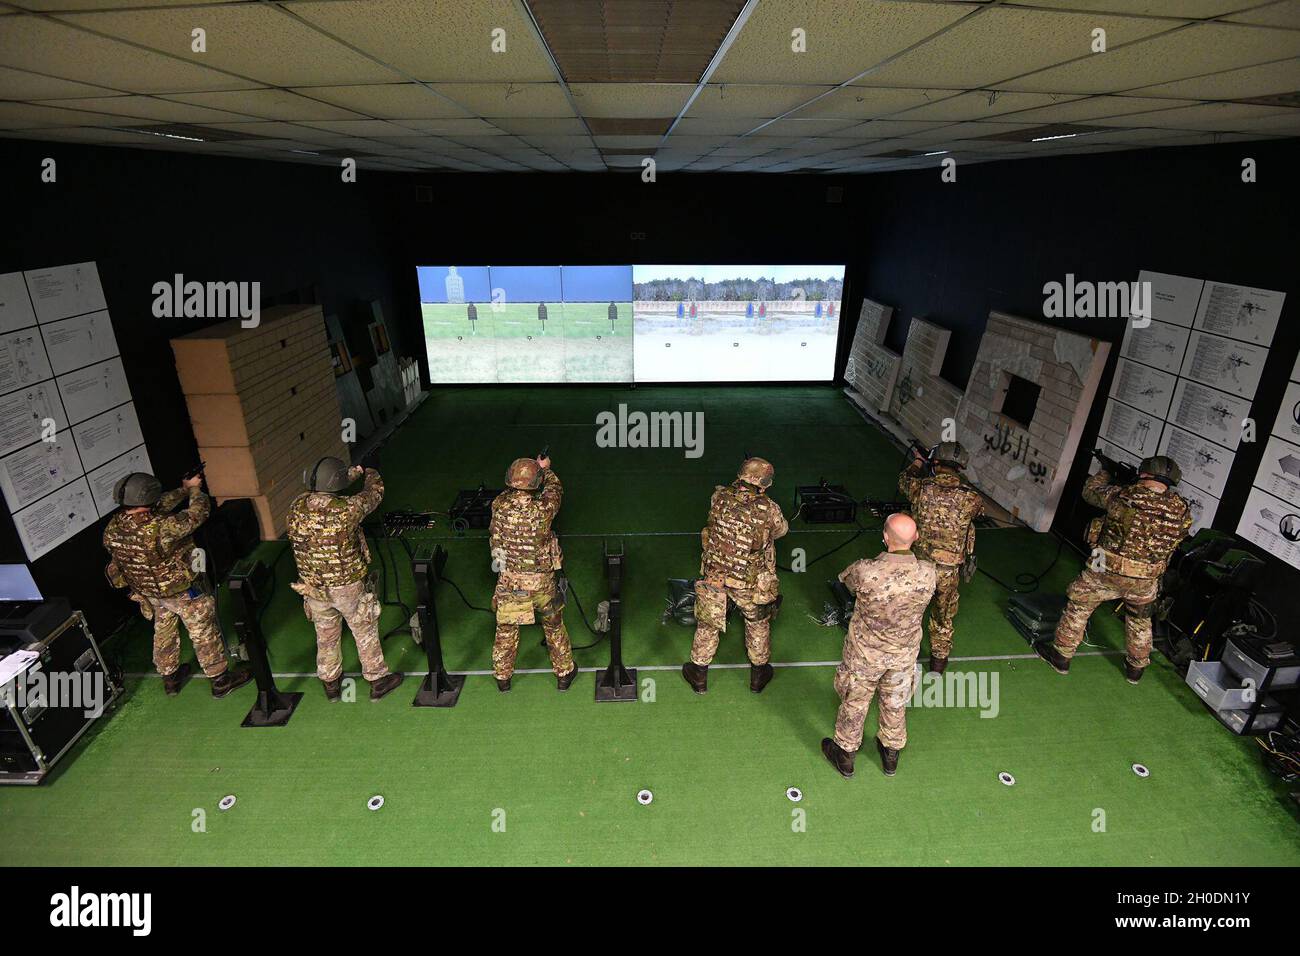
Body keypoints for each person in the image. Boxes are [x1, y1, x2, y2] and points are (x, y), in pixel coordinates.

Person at [1036, 455, 1191, 684]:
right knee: (1140, 620)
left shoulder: (1122, 495)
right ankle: (1135, 670)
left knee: (1079, 606)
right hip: (1146, 577)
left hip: (1105, 567)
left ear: (1144, 473)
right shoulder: (1181, 509)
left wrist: (1105, 471)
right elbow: (1180, 533)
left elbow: (1090, 491)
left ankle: (1061, 657)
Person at [103, 471, 252, 698]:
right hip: (181, 590)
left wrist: (183, 488)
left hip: (149, 592)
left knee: (163, 630)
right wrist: (194, 491)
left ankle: (170, 677)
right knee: (203, 631)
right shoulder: (164, 527)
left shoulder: (113, 528)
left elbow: (157, 505)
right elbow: (198, 513)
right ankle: (220, 679)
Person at [822, 513, 937, 778]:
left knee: (855, 701)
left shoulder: (865, 570)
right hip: (904, 654)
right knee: (895, 701)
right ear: (916, 538)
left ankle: (846, 755)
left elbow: (845, 583)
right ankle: (890, 754)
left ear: (885, 538)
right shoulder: (929, 573)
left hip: (865, 654)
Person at [286, 457, 403, 701]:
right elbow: (374, 493)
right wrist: (369, 470)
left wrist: (353, 471)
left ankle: (331, 683)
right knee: (364, 628)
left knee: (325, 633)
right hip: (346, 584)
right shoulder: (348, 509)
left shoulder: (297, 506)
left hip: (313, 586)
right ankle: (377, 679)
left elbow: (330, 484)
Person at [681, 457, 788, 695]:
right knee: (757, 621)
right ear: (764, 483)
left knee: (709, 621)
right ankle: (758, 675)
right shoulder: (769, 508)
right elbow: (781, 530)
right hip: (749, 580)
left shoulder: (718, 496)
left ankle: (699, 674)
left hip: (716, 574)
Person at [488, 454, 577, 692]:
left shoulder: (499, 504)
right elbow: (555, 489)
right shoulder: (543, 508)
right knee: (553, 625)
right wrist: (545, 469)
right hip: (542, 582)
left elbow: (509, 497)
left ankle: (503, 678)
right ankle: (564, 673)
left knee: (506, 629)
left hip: (510, 581)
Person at [899, 441, 983, 673]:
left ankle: (903, 658)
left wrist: (918, 462)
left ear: (935, 462)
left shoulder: (920, 487)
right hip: (948, 570)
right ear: (960, 467)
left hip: (919, 566)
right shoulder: (971, 497)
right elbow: (978, 513)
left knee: (910, 611)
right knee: (943, 616)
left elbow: (903, 481)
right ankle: (938, 663)